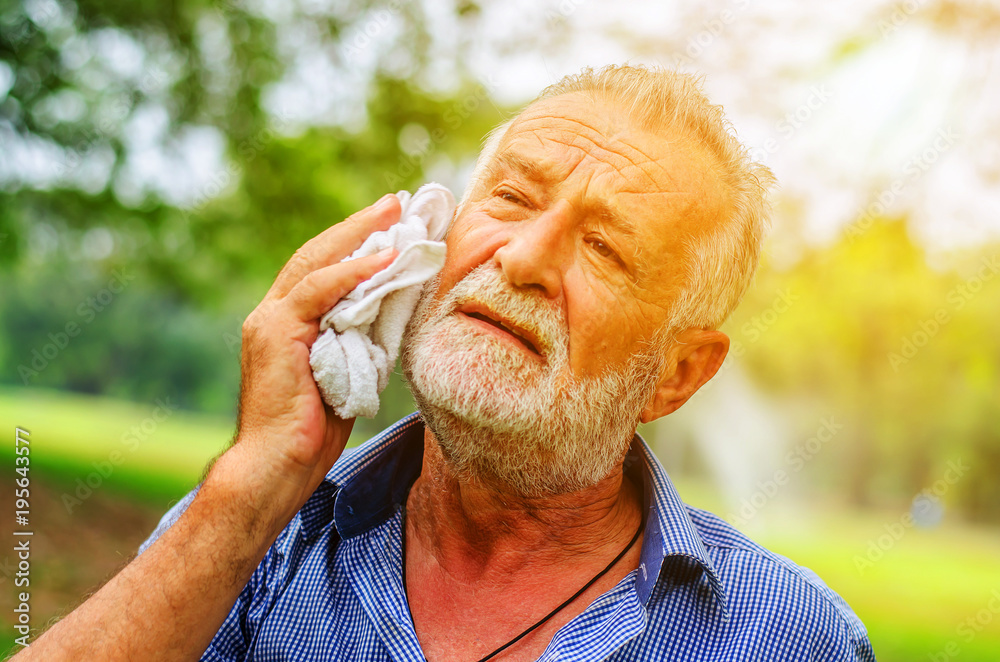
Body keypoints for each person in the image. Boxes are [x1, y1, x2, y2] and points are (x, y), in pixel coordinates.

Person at [17, 65, 875, 661]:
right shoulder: (256, 534)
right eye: (510, 197)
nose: (523, 258)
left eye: (606, 247)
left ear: (677, 374)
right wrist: (253, 480)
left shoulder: (794, 639)